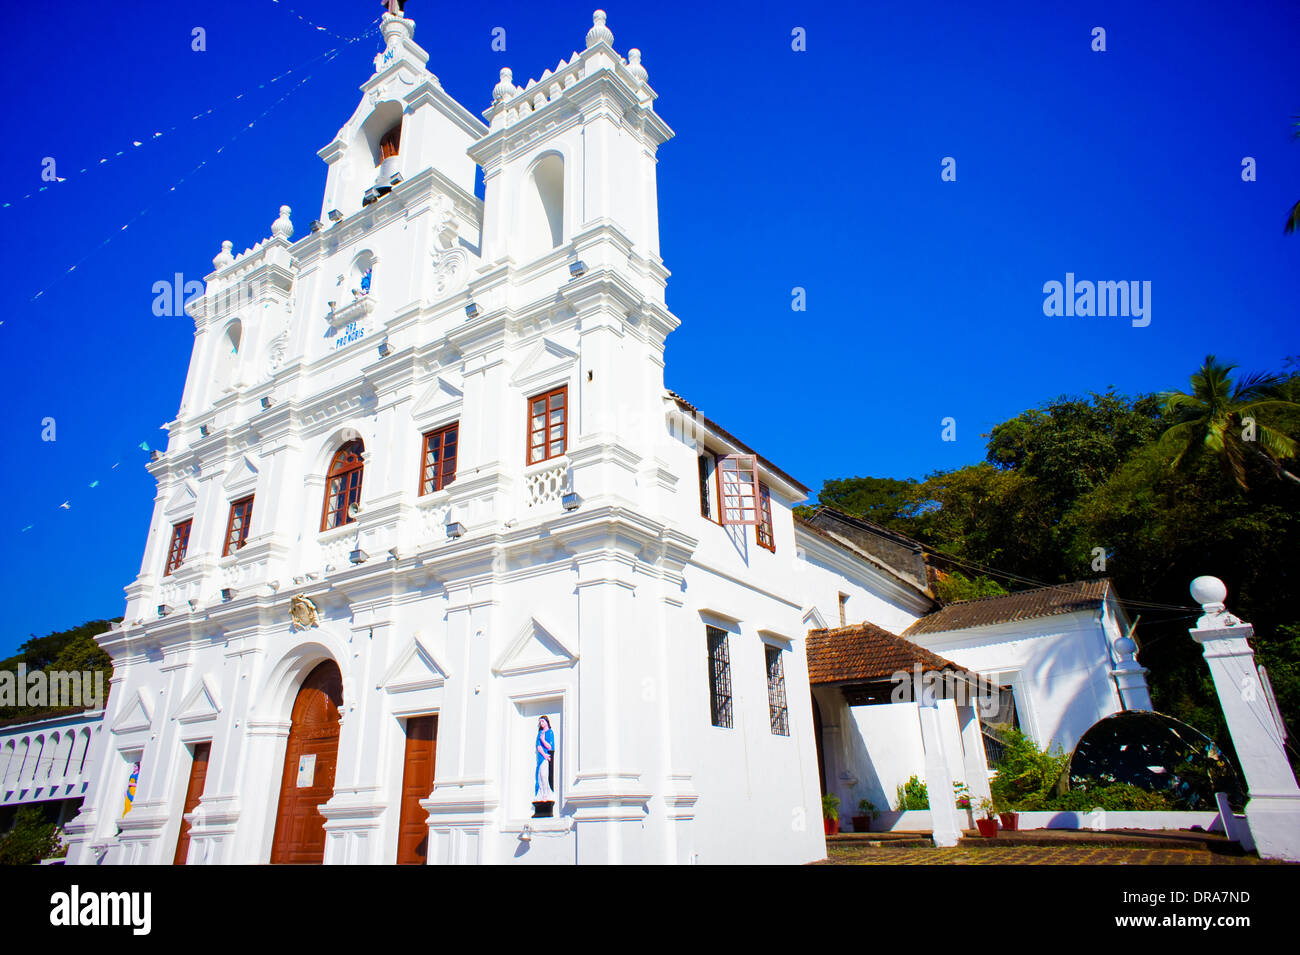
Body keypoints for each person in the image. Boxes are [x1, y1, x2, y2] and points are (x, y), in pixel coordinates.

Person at [535, 716, 555, 802]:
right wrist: (543, 754)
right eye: (540, 722)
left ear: (547, 721)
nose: (541, 723)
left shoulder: (550, 732)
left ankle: (546, 793)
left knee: (544, 775)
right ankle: (541, 793)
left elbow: (550, 746)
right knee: (539, 776)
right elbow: (538, 746)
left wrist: (543, 740)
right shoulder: (540, 733)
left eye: (543, 721)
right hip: (541, 756)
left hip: (547, 757)